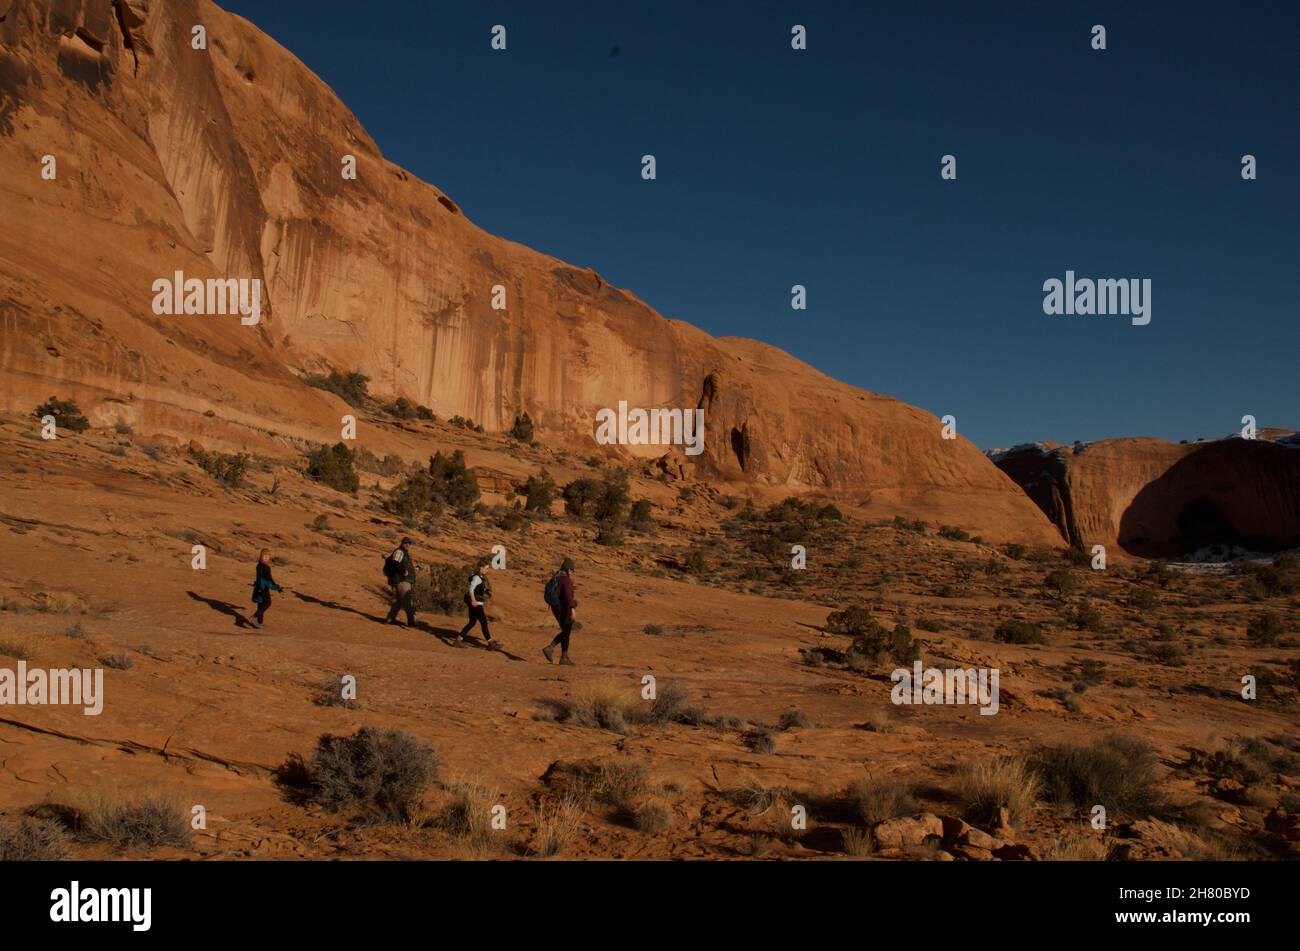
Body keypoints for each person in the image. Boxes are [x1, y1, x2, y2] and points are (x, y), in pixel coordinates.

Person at [542, 557, 577, 665]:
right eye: (571, 570)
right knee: (566, 632)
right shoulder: (565, 579)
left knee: (566, 632)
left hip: (556, 608)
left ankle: (555, 651)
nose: (572, 572)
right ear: (567, 569)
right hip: (563, 609)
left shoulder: (557, 576)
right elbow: (567, 595)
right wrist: (572, 608)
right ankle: (561, 656)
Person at [458, 559, 498, 649]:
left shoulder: (480, 577)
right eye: (486, 568)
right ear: (481, 568)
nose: (487, 570)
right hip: (476, 603)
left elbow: (479, 588)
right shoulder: (477, 577)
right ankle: (491, 643)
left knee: (472, 622)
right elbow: (471, 589)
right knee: (484, 622)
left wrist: (487, 591)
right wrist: (473, 600)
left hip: (476, 602)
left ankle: (458, 640)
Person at [384, 537, 418, 627]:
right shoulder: (400, 551)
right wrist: (404, 571)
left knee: (397, 602)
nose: (408, 544)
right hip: (402, 580)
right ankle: (412, 622)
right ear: (402, 543)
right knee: (407, 601)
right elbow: (396, 563)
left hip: (399, 580)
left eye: (409, 543)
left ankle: (390, 619)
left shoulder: (404, 553)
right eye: (406, 542)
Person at [250, 549, 283, 628]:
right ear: (261, 557)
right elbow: (258, 578)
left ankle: (259, 622)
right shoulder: (260, 566)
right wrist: (259, 588)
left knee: (261, 604)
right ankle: (254, 617)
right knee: (267, 603)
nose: (266, 558)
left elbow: (270, 579)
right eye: (265, 556)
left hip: (265, 587)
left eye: (268, 557)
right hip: (262, 587)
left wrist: (277, 587)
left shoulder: (267, 567)